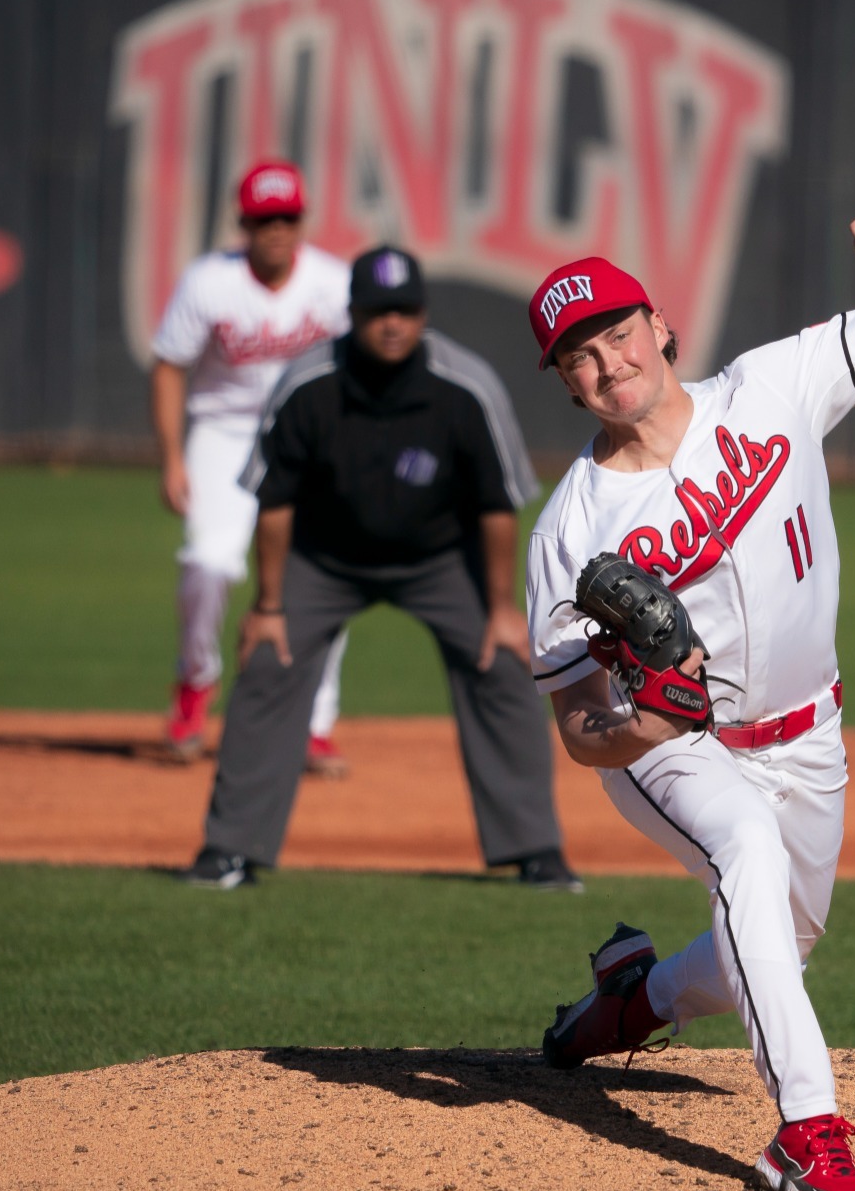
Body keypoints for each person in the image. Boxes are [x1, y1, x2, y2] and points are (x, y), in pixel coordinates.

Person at [523, 216, 855, 1191]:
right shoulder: (568, 535)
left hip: (810, 734)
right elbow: (580, 728)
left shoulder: (773, 386)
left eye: (618, 333)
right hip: (676, 749)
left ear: (661, 323)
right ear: (563, 382)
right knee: (745, 854)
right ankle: (807, 1134)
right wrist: (649, 723)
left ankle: (629, 999)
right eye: (578, 356)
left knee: (773, 945)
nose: (607, 362)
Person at [180, 244, 580, 893]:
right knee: (268, 660)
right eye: (376, 311)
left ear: (422, 313)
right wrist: (269, 605)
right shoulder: (309, 382)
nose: (391, 323)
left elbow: (498, 504)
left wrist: (503, 608)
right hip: (323, 556)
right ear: (352, 314)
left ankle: (536, 850)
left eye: (405, 309)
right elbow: (274, 500)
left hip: (440, 558)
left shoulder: (464, 384)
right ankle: (229, 849)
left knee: (502, 661)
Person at [149, 161, 356, 777]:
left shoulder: (333, 283)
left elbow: (365, 367)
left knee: (325, 578)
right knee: (210, 565)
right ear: (244, 222)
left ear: (302, 219)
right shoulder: (209, 282)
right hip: (225, 436)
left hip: (309, 442)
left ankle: (315, 724)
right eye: (264, 218)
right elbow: (168, 364)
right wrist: (171, 458)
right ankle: (195, 680)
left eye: (287, 216)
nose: (276, 229)